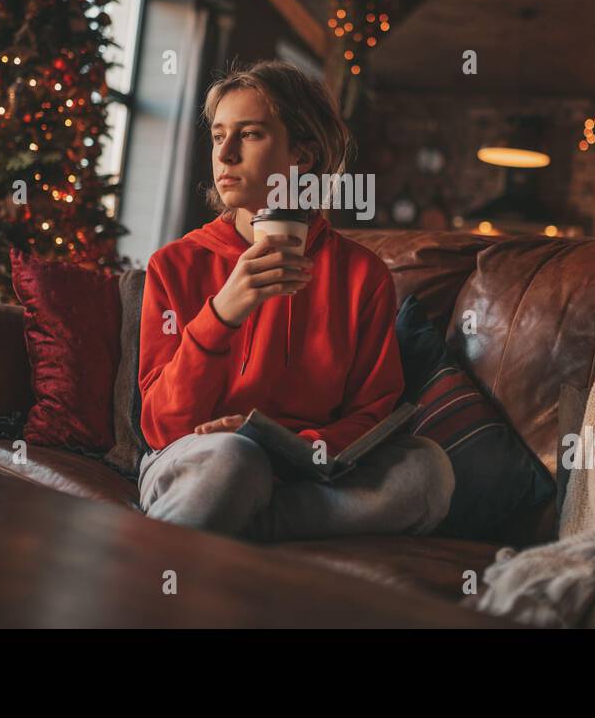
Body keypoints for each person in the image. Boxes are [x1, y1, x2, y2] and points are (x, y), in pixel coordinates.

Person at [136, 60, 455, 541]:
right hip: (200, 459)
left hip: (308, 469)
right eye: (218, 134)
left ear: (301, 158)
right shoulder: (174, 265)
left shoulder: (362, 275)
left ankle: (236, 522)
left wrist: (288, 444)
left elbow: (372, 415)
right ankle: (231, 520)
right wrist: (221, 315)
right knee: (234, 460)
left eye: (249, 134)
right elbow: (161, 428)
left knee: (426, 471)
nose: (224, 153)